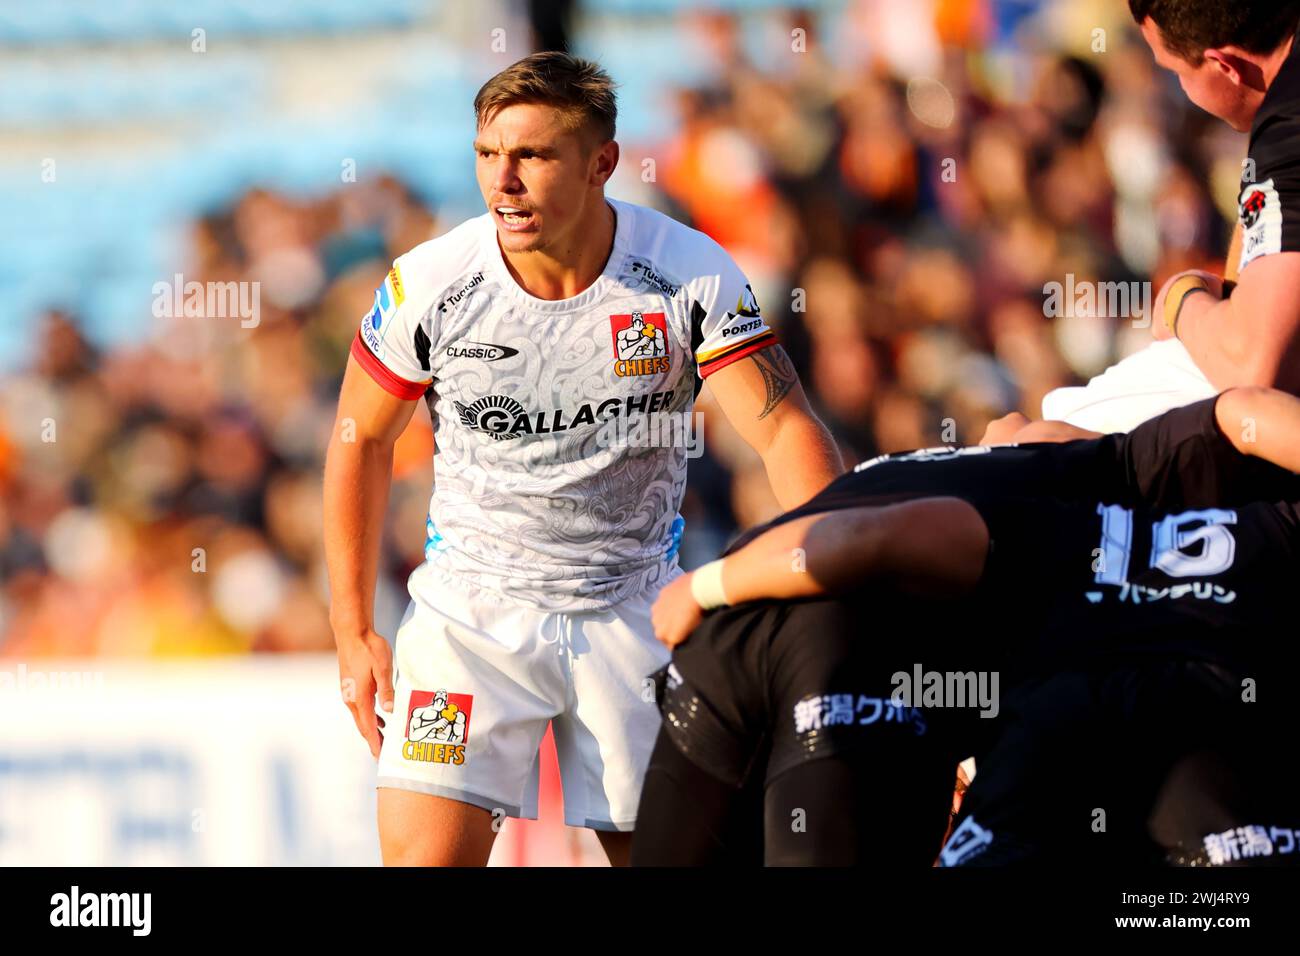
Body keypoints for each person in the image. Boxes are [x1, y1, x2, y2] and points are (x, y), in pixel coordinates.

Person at [322, 51, 842, 866]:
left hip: (634, 610)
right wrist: (353, 629)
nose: (505, 181)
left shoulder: (685, 275)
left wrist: (833, 588)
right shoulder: (431, 283)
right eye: (489, 155)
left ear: (602, 164)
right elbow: (360, 439)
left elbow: (782, 430)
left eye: (533, 155)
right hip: (471, 619)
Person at [632, 386, 1300, 865]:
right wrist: (714, 583)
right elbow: (877, 539)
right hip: (831, 637)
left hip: (769, 628)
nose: (1013, 419)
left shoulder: (1081, 482)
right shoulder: (1081, 493)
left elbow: (884, 535)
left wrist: (713, 583)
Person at [1040, 1, 1300, 434]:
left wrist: (1181, 300)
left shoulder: (1287, 128)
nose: (1179, 90)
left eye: (1178, 73)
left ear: (1226, 66)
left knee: (1048, 432)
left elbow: (1255, 370)